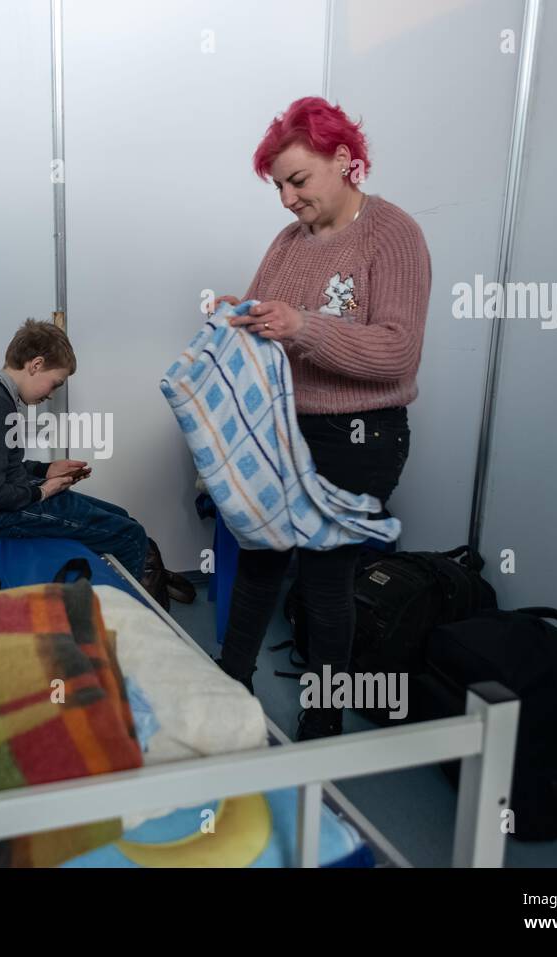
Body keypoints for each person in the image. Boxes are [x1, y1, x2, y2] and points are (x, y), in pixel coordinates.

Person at [213, 96, 431, 740]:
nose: (285, 198)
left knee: (325, 579)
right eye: (278, 185)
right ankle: (228, 694)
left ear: (345, 161)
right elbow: (269, 321)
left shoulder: (393, 234)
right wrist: (244, 315)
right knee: (259, 560)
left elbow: (398, 350)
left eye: (297, 180)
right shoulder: (286, 242)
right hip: (286, 429)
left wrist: (304, 326)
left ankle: (323, 719)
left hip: (359, 437)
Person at [0, 318, 151, 584]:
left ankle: (105, 586)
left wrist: (45, 470)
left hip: (6, 499)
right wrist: (43, 490)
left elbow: (2, 463)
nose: (52, 393)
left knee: (122, 517)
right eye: (56, 383)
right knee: (131, 536)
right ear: (36, 364)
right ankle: (129, 616)